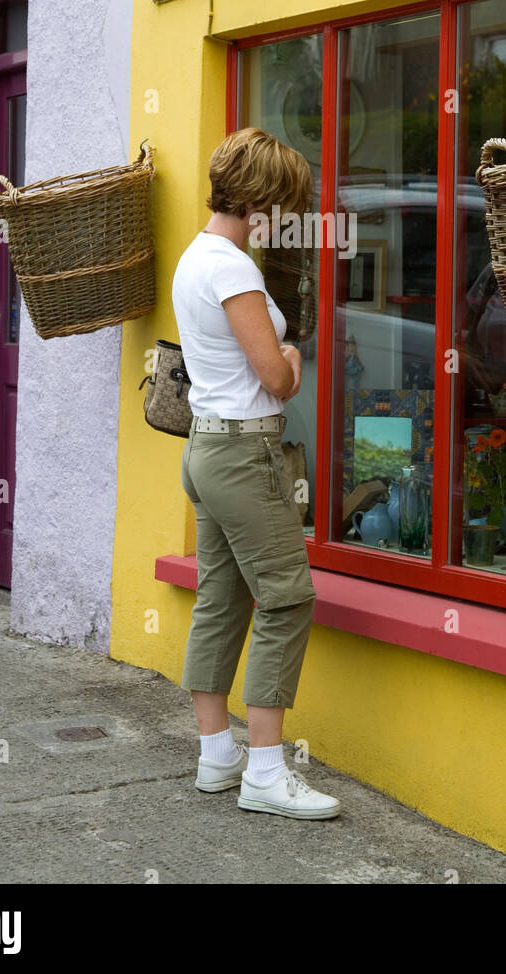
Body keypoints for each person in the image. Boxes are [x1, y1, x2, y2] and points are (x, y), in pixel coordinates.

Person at [171, 126, 341, 820]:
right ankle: (267, 773)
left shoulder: (196, 257)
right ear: (260, 198)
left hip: (207, 450)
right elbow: (274, 377)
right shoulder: (235, 267)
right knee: (288, 598)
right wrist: (296, 358)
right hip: (243, 454)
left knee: (222, 597)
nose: (288, 219)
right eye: (285, 204)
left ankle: (217, 756)